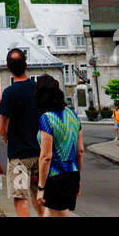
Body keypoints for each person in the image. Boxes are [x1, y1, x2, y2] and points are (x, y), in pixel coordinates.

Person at [0, 47, 43, 217]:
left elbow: (2, 127)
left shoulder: (9, 93)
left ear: (8, 67)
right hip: (41, 154)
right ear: (26, 65)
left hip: (19, 157)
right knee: (40, 195)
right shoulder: (39, 89)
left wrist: (6, 135)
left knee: (20, 197)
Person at [35, 75, 83, 217]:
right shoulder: (73, 116)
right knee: (56, 213)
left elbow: (46, 157)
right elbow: (80, 151)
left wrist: (41, 187)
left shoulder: (47, 119)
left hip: (55, 177)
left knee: (57, 212)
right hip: (72, 174)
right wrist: (78, 177)